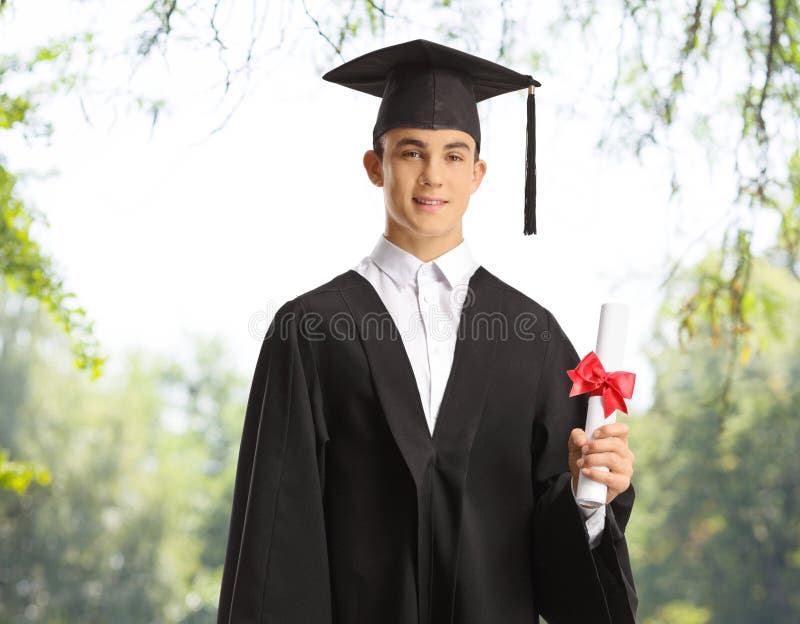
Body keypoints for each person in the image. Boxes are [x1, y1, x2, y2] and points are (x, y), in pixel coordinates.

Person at [217, 39, 638, 624]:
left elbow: (565, 571)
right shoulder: (309, 331)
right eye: (411, 152)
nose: (433, 174)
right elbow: (276, 543)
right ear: (375, 165)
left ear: (478, 174)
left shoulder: (531, 337)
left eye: (454, 155)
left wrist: (592, 501)